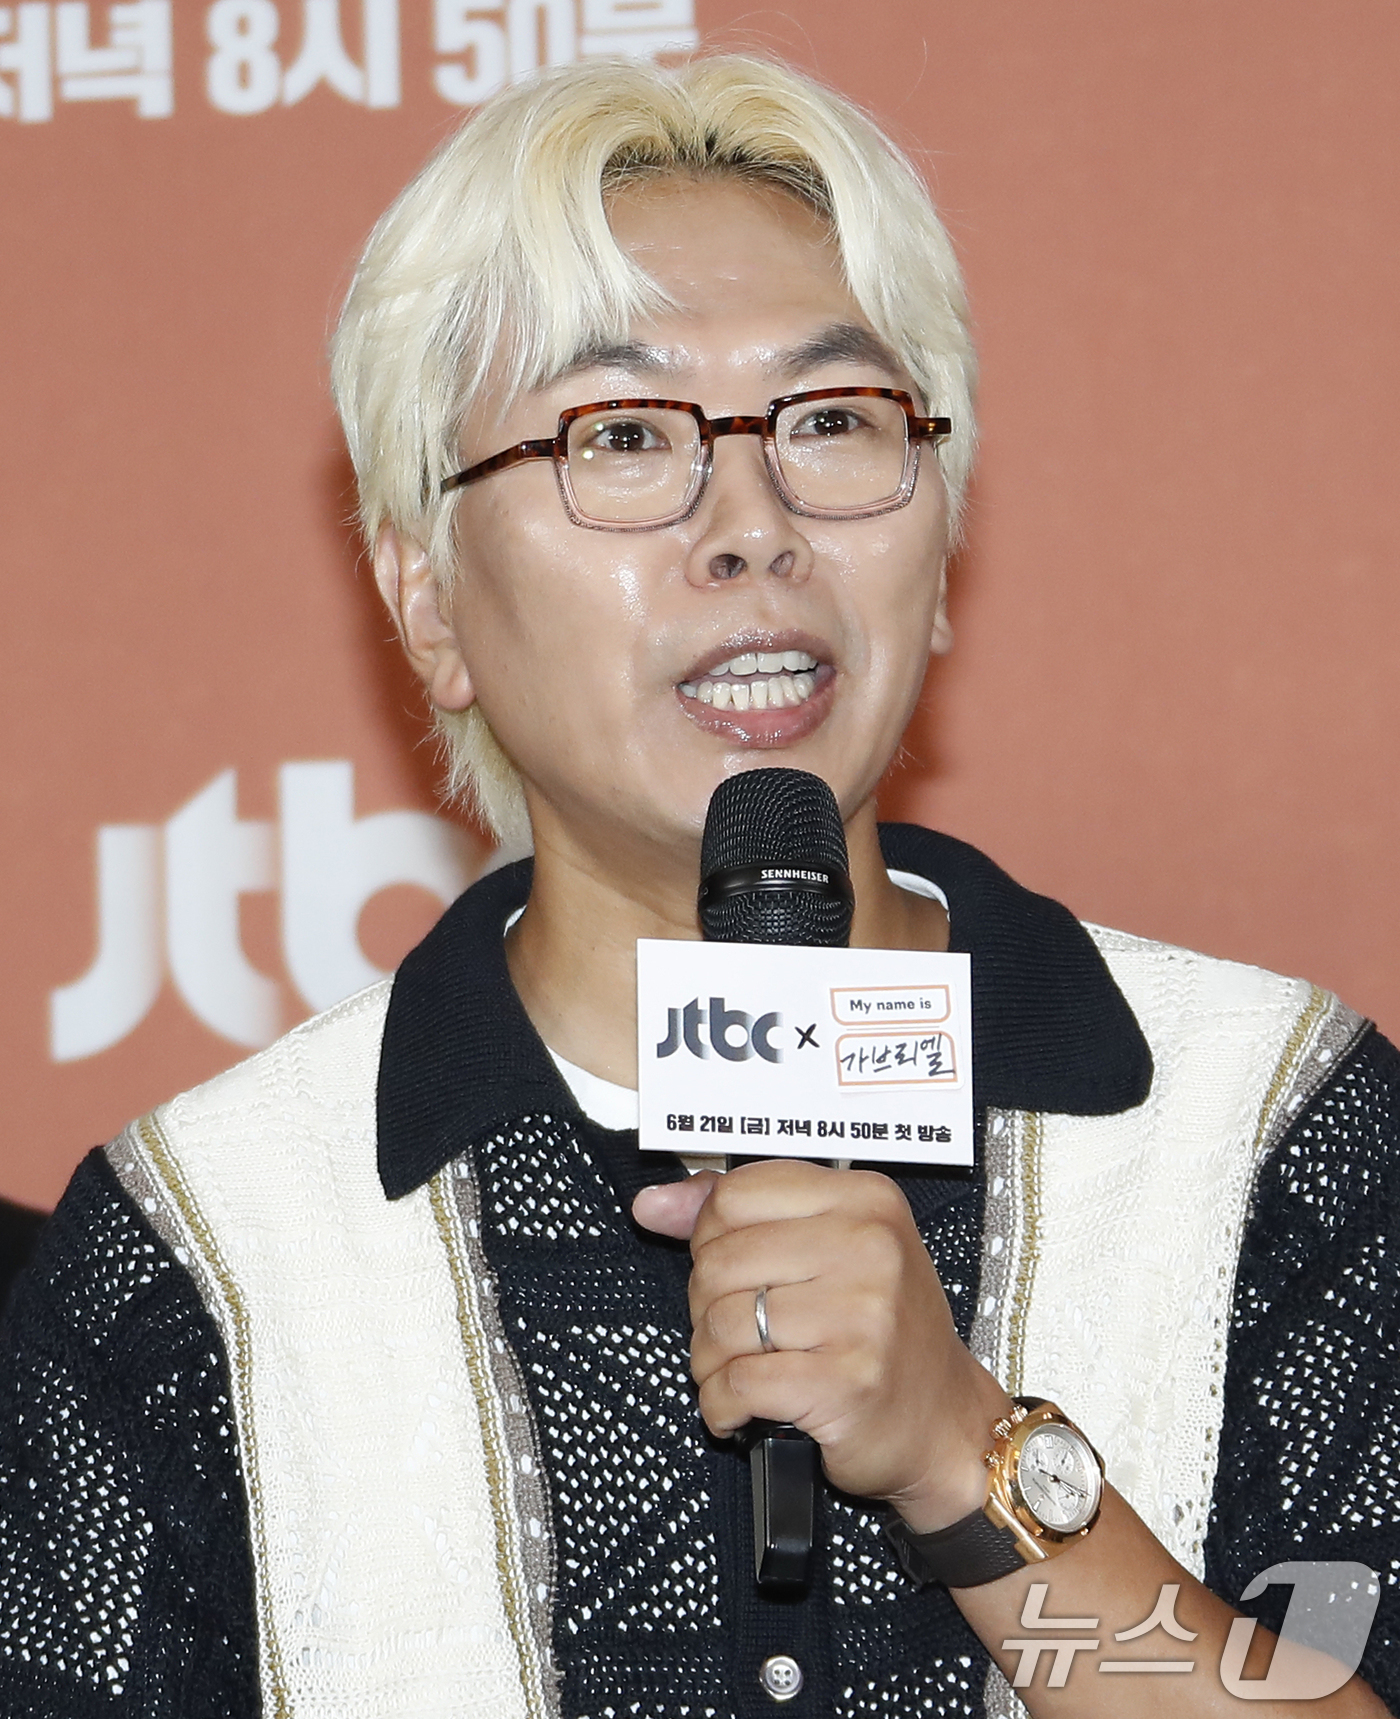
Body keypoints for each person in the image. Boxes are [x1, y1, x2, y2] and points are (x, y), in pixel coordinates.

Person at [1, 52, 1396, 1719]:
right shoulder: (207, 1252)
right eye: (623, 437)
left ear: (942, 539)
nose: (753, 526)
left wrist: (966, 1454)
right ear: (429, 600)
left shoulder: (1266, 1132)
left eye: (832, 422)